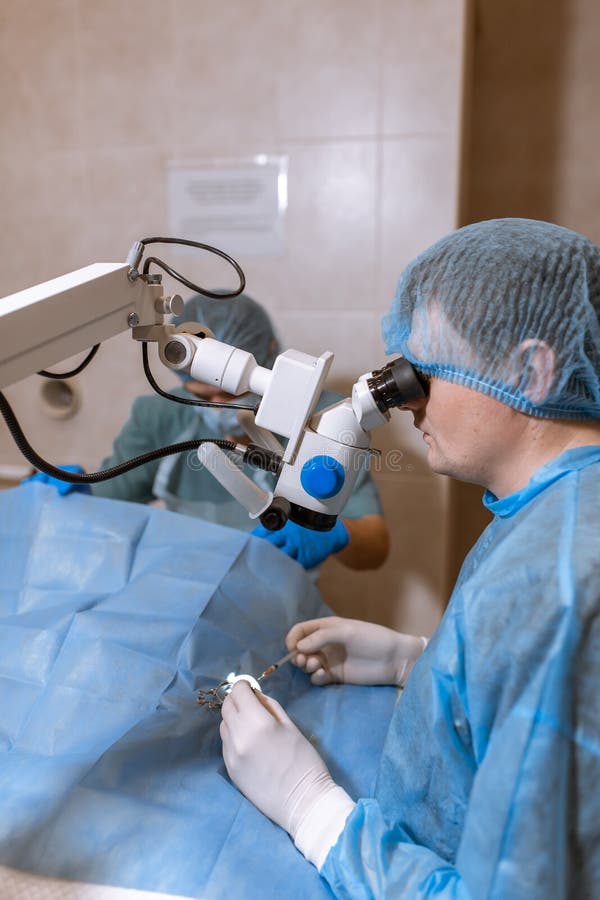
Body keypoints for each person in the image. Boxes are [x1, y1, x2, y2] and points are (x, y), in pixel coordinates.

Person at [219, 219, 600, 898]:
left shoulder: (556, 586)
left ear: (532, 370)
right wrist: (416, 662)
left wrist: (312, 809)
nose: (407, 403)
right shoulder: (549, 508)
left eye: (425, 372)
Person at [92, 293, 390, 572]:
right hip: (183, 588)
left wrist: (335, 534)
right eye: (203, 397)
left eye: (231, 394)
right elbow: (103, 504)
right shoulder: (159, 416)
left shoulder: (325, 421)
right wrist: (70, 490)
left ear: (269, 360)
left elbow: (376, 546)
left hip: (279, 601)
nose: (219, 407)